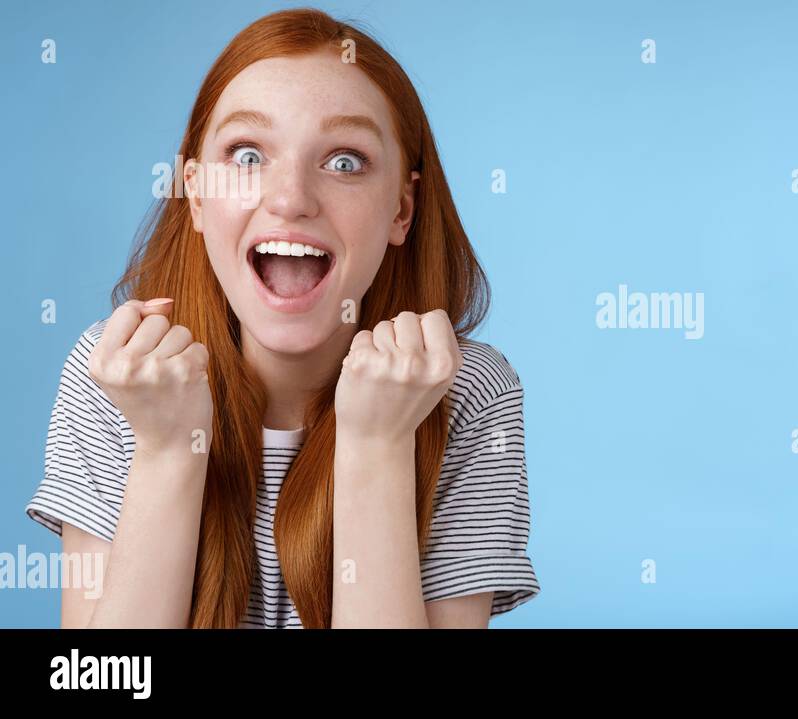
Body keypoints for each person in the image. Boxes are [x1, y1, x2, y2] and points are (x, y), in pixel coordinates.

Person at [25, 8, 539, 628]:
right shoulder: (115, 375)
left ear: (402, 210)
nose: (291, 198)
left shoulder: (465, 395)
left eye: (344, 161)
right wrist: (166, 450)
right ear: (195, 194)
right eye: (247, 154)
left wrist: (377, 445)